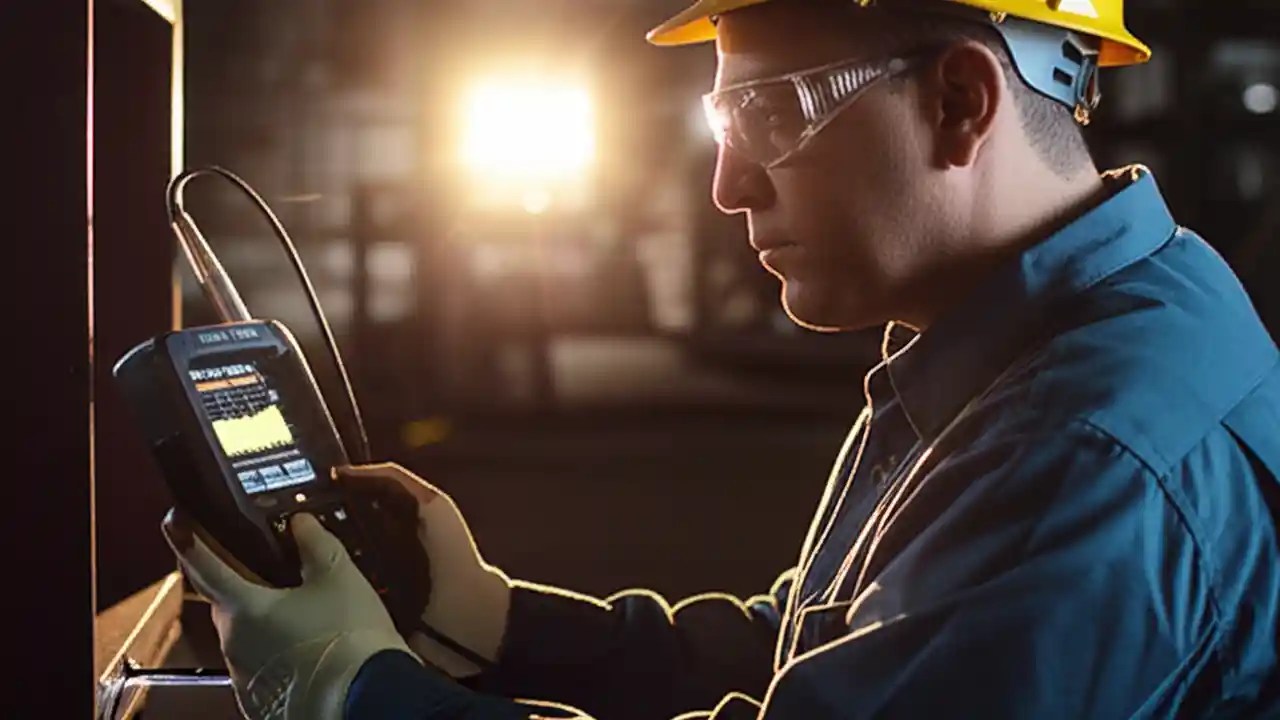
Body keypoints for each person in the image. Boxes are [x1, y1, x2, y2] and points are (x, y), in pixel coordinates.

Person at [162, 0, 1280, 717]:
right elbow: (821, 659)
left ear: (956, 102)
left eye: (769, 113)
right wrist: (502, 622)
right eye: (719, 125)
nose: (728, 187)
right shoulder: (1055, 332)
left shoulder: (1084, 453)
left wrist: (357, 696)